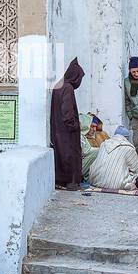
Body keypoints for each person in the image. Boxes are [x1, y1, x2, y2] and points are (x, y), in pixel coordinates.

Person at [50, 58, 85, 190]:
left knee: (62, 155)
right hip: (67, 131)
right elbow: (67, 111)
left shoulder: (59, 85)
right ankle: (71, 182)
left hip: (58, 129)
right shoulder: (68, 88)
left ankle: (61, 180)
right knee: (70, 155)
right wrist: (74, 125)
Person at [88, 126, 138, 191]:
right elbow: (136, 169)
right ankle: (127, 185)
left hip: (95, 181)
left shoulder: (103, 144)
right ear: (126, 138)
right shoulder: (128, 148)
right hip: (115, 184)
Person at [80, 113, 108, 183]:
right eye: (92, 126)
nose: (94, 129)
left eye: (96, 127)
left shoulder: (102, 134)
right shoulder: (81, 137)